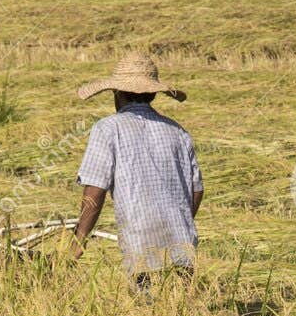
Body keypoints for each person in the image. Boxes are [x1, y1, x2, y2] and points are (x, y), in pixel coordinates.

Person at [70, 53, 202, 288]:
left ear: (117, 93)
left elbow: (95, 191)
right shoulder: (177, 131)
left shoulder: (107, 129)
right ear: (153, 94)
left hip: (141, 244)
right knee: (181, 312)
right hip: (182, 244)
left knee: (146, 312)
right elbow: (197, 190)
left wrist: (78, 241)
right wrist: (179, 222)